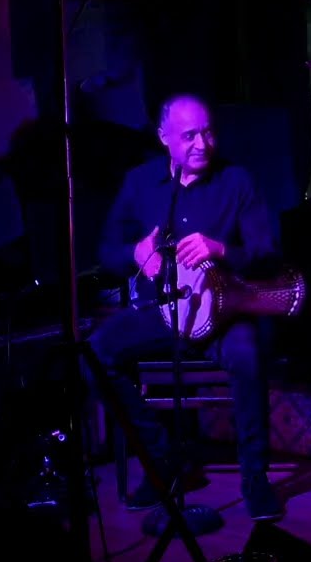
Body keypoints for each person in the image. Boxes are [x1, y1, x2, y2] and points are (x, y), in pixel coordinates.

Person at [89, 93, 284, 522]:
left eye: (208, 132)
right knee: (96, 354)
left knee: (247, 357)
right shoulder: (140, 183)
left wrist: (221, 249)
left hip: (223, 309)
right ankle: (161, 457)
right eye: (190, 135)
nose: (202, 144)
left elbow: (268, 252)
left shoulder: (236, 181)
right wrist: (135, 253)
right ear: (164, 139)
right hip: (163, 310)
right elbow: (106, 250)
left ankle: (255, 477)